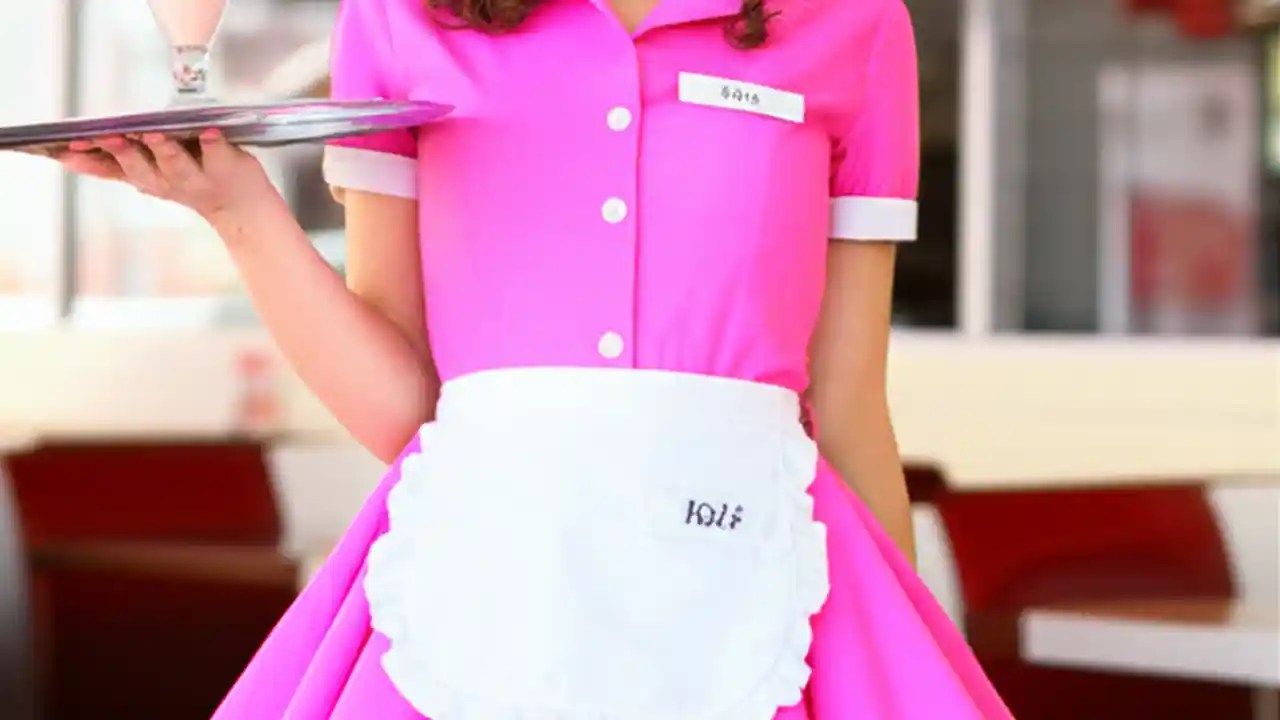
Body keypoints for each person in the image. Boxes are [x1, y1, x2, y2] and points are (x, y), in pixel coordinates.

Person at [59, 0, 1013, 716]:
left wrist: (903, 658)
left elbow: (849, 407)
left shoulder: (854, 20)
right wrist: (238, 210)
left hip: (758, 588)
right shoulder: (403, 14)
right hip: (474, 592)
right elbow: (406, 405)